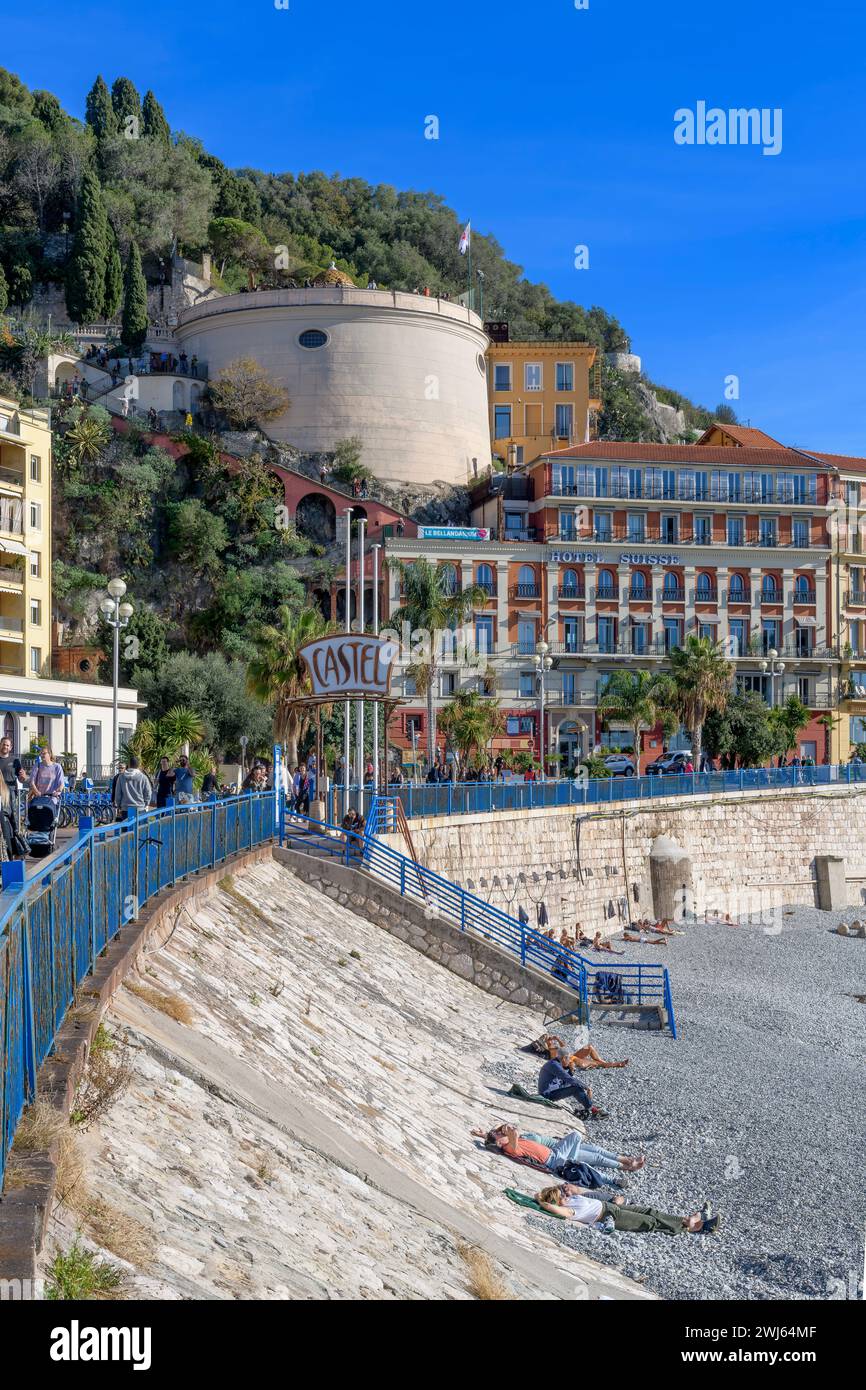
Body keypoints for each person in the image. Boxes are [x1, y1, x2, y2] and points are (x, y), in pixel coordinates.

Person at [535, 1183, 719, 1236]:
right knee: (650, 1223)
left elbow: (590, 1195)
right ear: (556, 1202)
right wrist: (542, 1203)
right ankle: (695, 1226)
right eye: (561, 1196)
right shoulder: (569, 1210)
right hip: (608, 1217)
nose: (565, 1196)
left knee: (650, 1211)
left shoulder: (572, 1199)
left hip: (611, 1207)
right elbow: (556, 1210)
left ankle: (689, 1220)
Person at [473, 1124, 645, 1177]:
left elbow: (500, 1133)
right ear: (499, 1140)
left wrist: (485, 1134)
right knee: (576, 1136)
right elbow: (513, 1145)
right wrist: (510, 1135)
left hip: (558, 1150)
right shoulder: (509, 1145)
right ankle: (626, 1166)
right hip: (556, 1156)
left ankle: (627, 1161)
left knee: (596, 1151)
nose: (503, 1131)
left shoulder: (514, 1138)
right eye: (499, 1133)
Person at [537, 1051, 593, 1115]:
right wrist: (587, 1087)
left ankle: (588, 1104)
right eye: (569, 1059)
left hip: (552, 1089)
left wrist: (571, 1070)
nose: (569, 1061)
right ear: (564, 1058)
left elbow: (565, 1079)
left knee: (575, 1085)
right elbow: (568, 1079)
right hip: (547, 1095)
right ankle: (591, 1108)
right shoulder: (554, 1065)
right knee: (576, 1089)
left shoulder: (556, 1063)